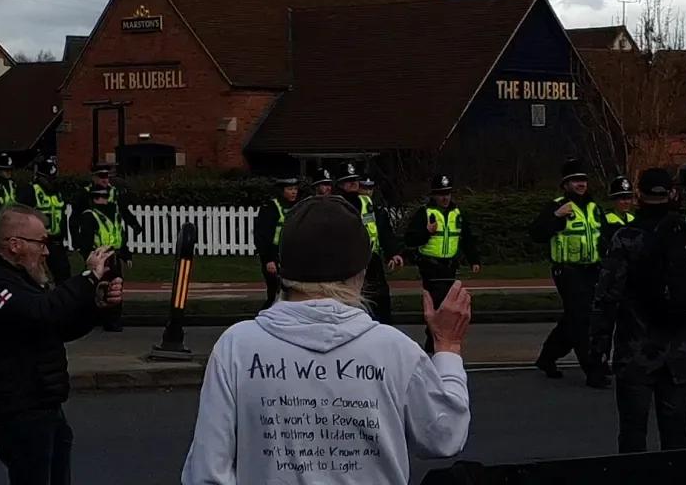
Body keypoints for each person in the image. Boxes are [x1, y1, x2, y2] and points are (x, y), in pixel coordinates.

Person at [181, 195, 472, 485]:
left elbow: (206, 473)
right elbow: (443, 436)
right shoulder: (395, 351)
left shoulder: (236, 347)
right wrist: (447, 347)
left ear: (284, 268)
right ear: (361, 270)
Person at [0, 204, 123, 485]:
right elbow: (41, 311)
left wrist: (97, 306)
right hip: (19, 411)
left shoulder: (26, 281)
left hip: (46, 405)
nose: (46, 252)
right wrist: (87, 277)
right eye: (41, 243)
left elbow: (56, 326)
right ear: (15, 244)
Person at [590, 167, 686, 453]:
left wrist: (598, 344)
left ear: (638, 195)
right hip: (678, 351)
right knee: (676, 433)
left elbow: (607, 295)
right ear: (671, 193)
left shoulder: (627, 237)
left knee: (633, 433)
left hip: (637, 349)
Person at [530, 158, 609, 387]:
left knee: (574, 320)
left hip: (592, 270)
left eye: (583, 179)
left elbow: (604, 237)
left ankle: (547, 358)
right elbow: (537, 233)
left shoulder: (595, 208)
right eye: (575, 180)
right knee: (582, 320)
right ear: (565, 185)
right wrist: (556, 217)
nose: (581, 184)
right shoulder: (556, 206)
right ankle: (593, 371)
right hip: (568, 271)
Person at [403, 174, 481, 354]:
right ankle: (434, 344)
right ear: (434, 195)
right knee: (437, 306)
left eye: (447, 193)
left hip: (450, 266)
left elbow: (466, 238)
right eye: (440, 194)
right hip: (430, 266)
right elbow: (410, 238)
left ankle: (437, 344)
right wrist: (426, 232)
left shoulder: (457, 213)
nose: (445, 197)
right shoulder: (425, 213)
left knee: (447, 305)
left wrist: (473, 259)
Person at [335, 164, 399, 323]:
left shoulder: (367, 202)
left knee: (381, 300)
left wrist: (393, 252)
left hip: (372, 260)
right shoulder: (335, 204)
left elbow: (383, 230)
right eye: (348, 181)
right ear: (341, 185)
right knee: (350, 301)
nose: (353, 183)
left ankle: (384, 332)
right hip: (347, 262)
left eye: (355, 180)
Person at [72, 186, 130, 332]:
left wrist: (126, 253)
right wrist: (89, 258)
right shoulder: (89, 216)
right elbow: (85, 240)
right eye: (100, 198)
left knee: (115, 288)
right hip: (99, 256)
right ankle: (95, 317)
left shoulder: (114, 214)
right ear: (94, 199)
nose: (104, 201)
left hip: (113, 255)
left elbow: (120, 235)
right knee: (98, 288)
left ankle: (113, 320)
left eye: (105, 197)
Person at [16, 158, 71, 285]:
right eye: (48, 178)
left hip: (56, 240)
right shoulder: (31, 191)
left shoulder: (58, 193)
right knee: (34, 275)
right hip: (37, 241)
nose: (51, 182)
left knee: (64, 274)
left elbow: (62, 216)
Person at [252, 177, 299, 311]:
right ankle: (263, 319)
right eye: (290, 189)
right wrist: (268, 260)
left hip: (292, 257)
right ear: (281, 191)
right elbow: (262, 236)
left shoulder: (298, 207)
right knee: (275, 295)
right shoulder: (271, 208)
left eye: (295, 189)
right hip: (274, 257)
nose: (294, 192)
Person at [600, 175, 636, 256]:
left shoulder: (632, 219)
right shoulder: (605, 220)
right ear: (614, 200)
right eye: (623, 199)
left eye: (629, 198)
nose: (626, 202)